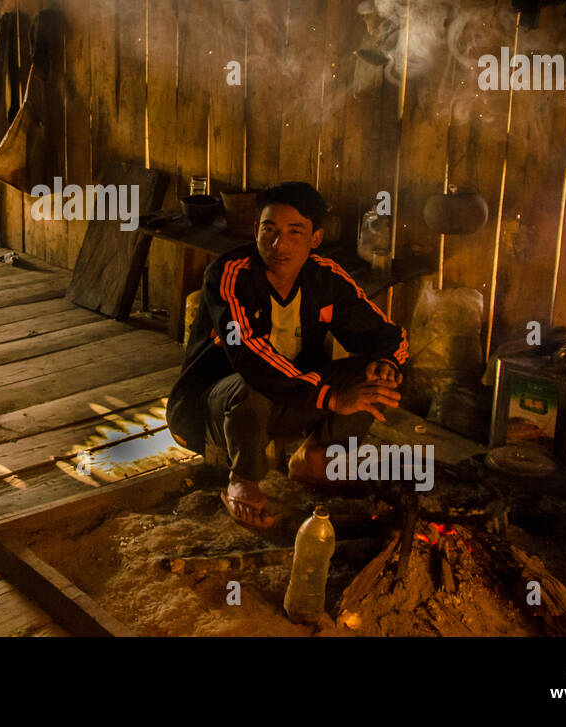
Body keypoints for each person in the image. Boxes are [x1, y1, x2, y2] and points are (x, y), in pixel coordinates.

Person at [166, 182, 409, 529]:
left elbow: (391, 337)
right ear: (256, 230)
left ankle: (315, 455)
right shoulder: (230, 274)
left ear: (315, 238)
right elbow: (251, 355)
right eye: (270, 230)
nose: (280, 244)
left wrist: (387, 363)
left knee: (377, 376)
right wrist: (331, 397)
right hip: (218, 408)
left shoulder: (325, 277)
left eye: (296, 232)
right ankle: (243, 478)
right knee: (254, 384)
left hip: (295, 398)